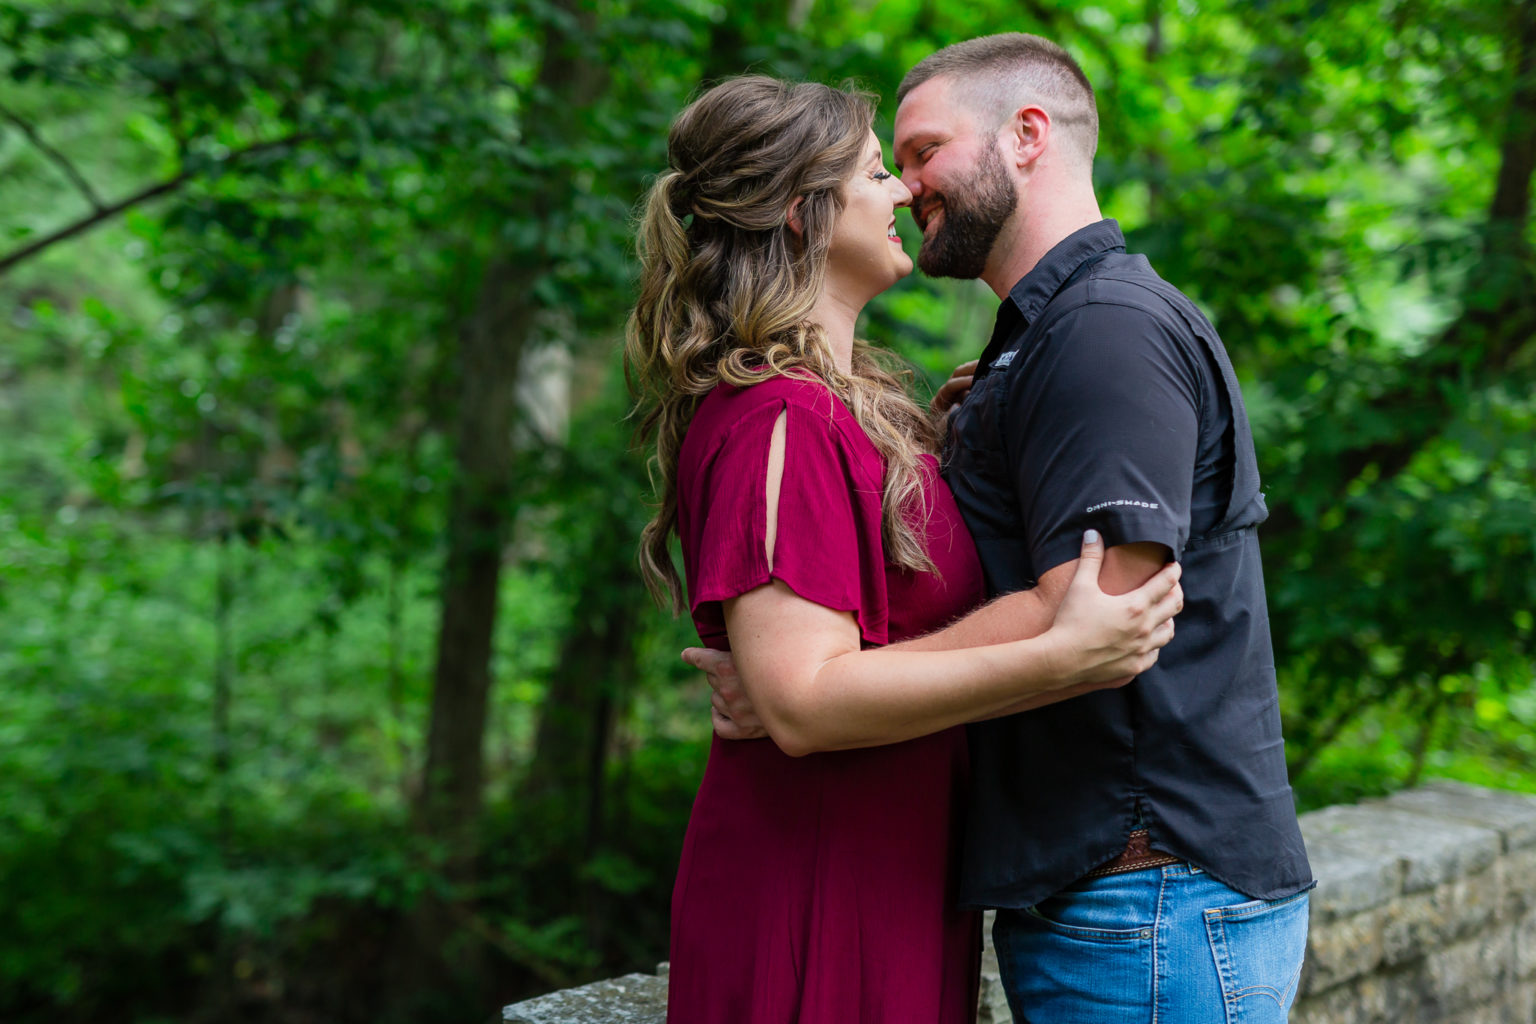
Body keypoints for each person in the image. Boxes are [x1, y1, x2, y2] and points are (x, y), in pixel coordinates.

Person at [696, 35, 1316, 1024]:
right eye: (885, 165)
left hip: (1146, 890)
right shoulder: (1030, 352)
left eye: (923, 150)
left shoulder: (1102, 332)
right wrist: (811, 675)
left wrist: (818, 687)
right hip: (1093, 893)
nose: (907, 184)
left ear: (1028, 135)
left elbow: (1103, 613)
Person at [625, 75, 1185, 1024]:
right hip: (820, 878)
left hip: (895, 865)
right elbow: (806, 705)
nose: (900, 194)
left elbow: (828, 664)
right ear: (802, 213)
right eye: (876, 172)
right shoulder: (780, 419)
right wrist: (1059, 656)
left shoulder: (847, 420)